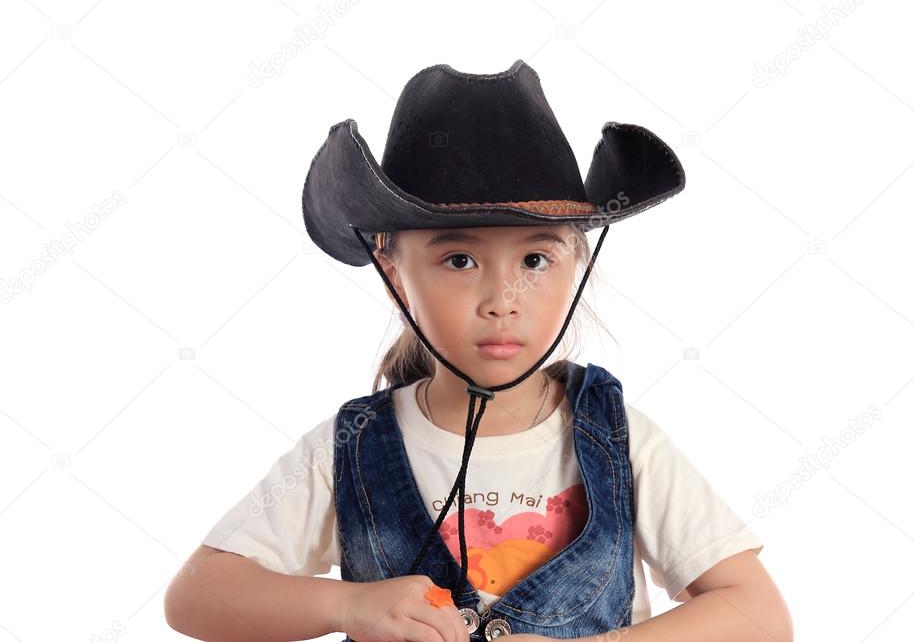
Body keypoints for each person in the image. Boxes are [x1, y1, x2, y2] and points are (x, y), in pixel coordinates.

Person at [165, 59, 792, 642]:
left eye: (535, 259)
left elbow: (756, 613)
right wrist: (347, 605)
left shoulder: (618, 440)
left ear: (576, 261)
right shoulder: (350, 447)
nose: (501, 299)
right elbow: (196, 595)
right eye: (459, 259)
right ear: (391, 265)